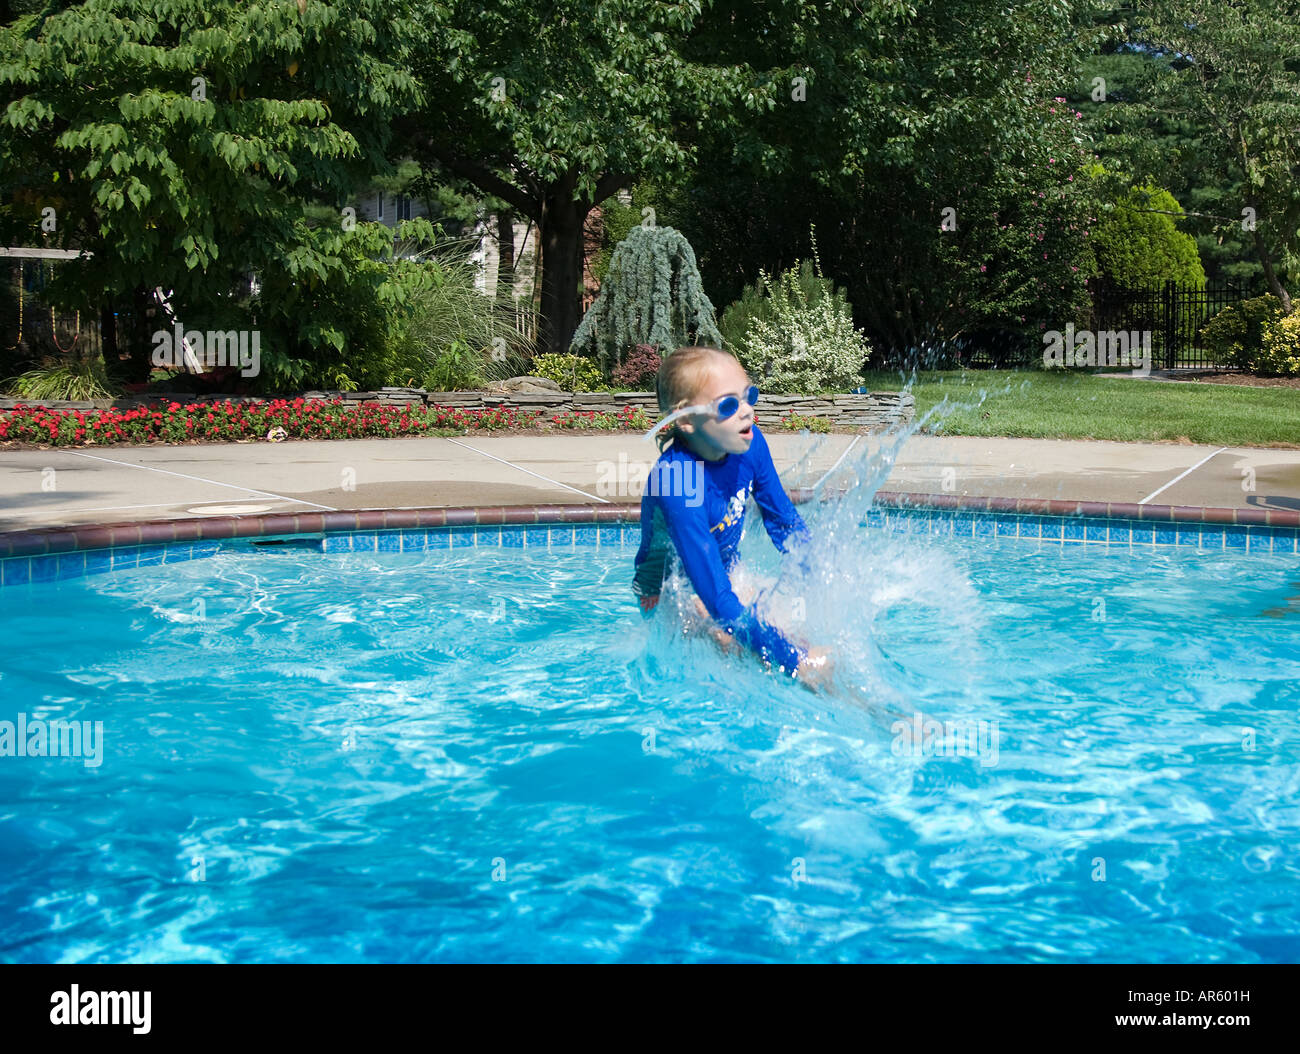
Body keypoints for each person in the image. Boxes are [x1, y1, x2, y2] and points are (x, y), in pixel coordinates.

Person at [631, 345, 834, 689]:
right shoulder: (677, 481)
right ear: (685, 420)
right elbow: (713, 595)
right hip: (670, 591)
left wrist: (824, 580)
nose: (747, 411)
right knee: (742, 648)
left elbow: (784, 523)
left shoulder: (749, 446)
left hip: (720, 574)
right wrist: (791, 661)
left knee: (792, 631)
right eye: (728, 405)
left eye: (748, 396)